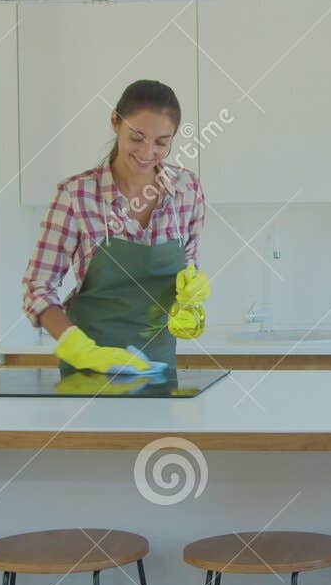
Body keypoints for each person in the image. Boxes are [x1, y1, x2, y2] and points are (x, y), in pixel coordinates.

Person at [22, 79, 209, 375]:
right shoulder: (77, 195)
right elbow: (38, 287)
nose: (147, 151)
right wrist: (79, 348)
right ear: (115, 122)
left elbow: (188, 265)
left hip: (157, 367)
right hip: (90, 368)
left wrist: (190, 297)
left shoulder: (187, 189)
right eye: (137, 137)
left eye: (162, 142)